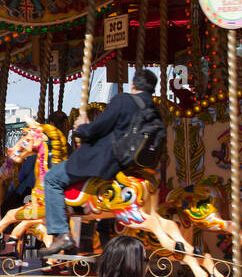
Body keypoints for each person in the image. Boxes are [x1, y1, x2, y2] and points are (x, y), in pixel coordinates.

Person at [41, 69, 159, 257]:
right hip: (131, 166)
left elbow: (98, 128)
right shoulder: (153, 109)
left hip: (103, 162)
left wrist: (81, 128)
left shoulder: (123, 101)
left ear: (134, 85)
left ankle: (61, 233)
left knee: (52, 179)